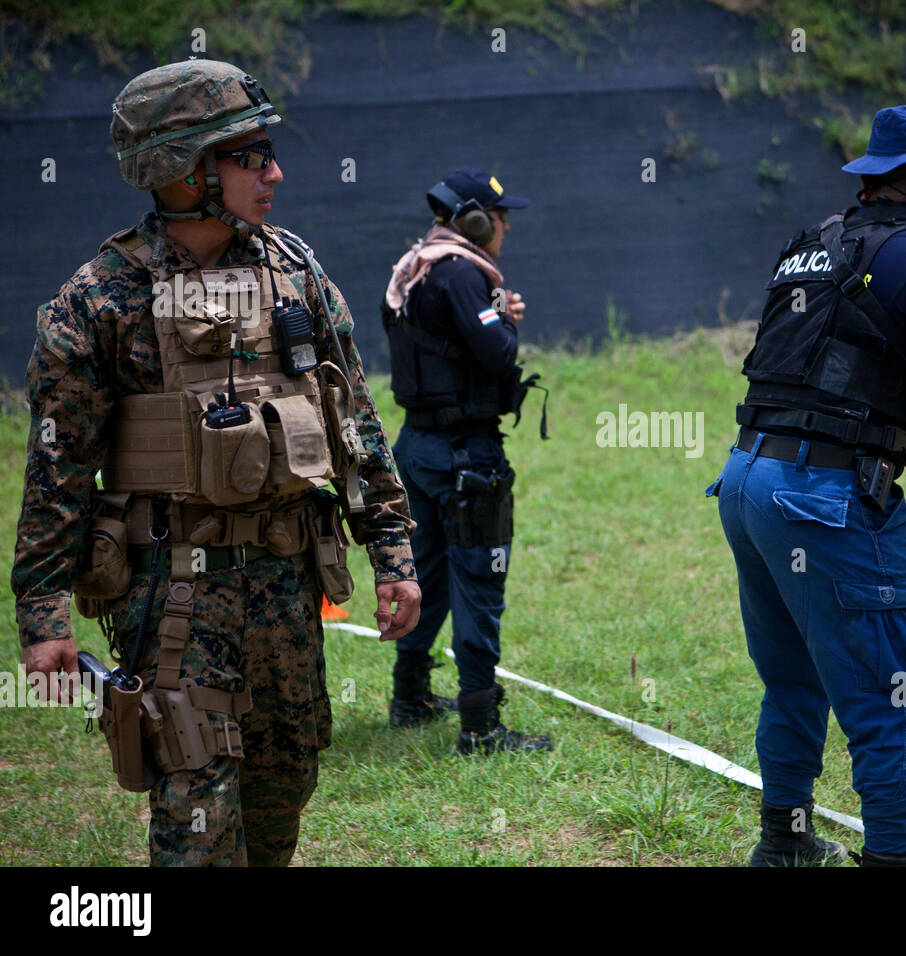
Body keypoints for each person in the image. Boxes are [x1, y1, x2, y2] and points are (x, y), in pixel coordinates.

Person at [12, 59, 421, 866]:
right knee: (195, 811)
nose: (275, 173)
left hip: (286, 584)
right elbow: (56, 468)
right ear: (184, 170)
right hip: (174, 599)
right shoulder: (100, 299)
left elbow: (353, 420)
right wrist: (44, 615)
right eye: (250, 155)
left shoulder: (294, 273)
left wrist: (395, 555)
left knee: (284, 790)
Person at [709, 105, 906, 866]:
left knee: (794, 674)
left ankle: (785, 845)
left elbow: (822, 350)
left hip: (747, 478)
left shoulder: (805, 246)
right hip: (822, 494)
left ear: (872, 177)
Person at [383, 168, 550, 754]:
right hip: (465, 457)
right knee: (479, 582)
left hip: (418, 448)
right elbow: (499, 356)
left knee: (424, 577)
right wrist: (504, 317)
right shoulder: (460, 273)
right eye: (502, 218)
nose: (505, 228)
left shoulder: (418, 266)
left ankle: (410, 697)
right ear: (479, 220)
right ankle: (480, 727)